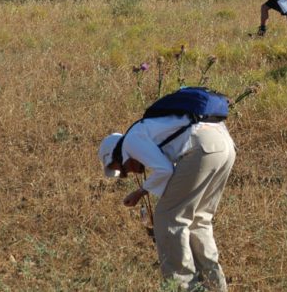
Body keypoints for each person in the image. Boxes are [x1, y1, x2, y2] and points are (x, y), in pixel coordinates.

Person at [98, 113, 236, 291]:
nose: (130, 173)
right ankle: (216, 285)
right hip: (224, 146)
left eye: (123, 170)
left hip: (202, 148)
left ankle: (183, 286)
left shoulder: (131, 141)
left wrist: (141, 191)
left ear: (117, 156)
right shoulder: (146, 133)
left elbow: (165, 170)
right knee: (198, 220)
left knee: (168, 219)